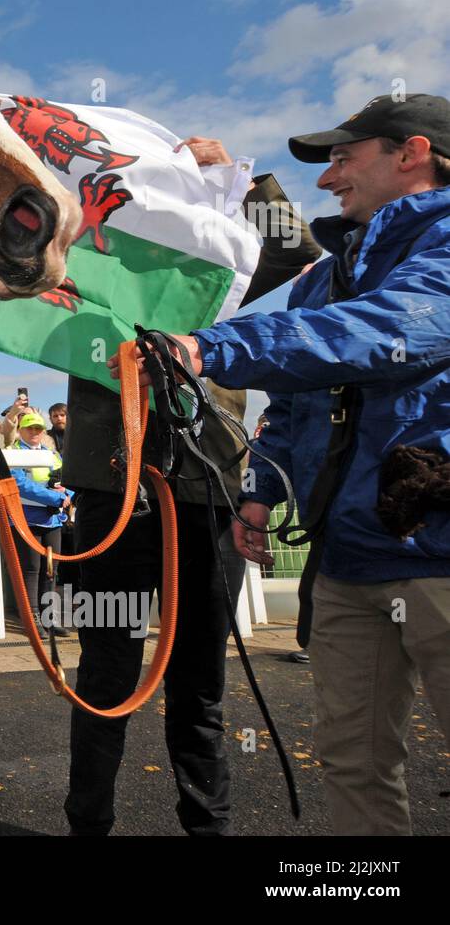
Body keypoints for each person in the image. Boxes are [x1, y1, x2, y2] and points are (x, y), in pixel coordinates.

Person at [117, 94, 450, 836]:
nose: (328, 178)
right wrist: (262, 493)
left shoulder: (436, 250)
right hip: (347, 560)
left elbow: (390, 329)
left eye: (342, 155)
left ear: (412, 152)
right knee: (354, 763)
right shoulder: (325, 276)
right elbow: (295, 404)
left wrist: (212, 347)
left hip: (440, 553)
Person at [65, 132, 321, 837]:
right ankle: (87, 825)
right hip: (110, 495)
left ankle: (207, 829)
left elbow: (298, 250)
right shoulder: (83, 262)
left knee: (199, 685)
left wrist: (246, 185)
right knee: (106, 677)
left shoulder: (221, 269)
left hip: (207, 494)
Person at [6, 412, 72, 634]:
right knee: (32, 568)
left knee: (51, 569)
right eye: (30, 428)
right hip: (26, 517)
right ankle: (31, 617)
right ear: (21, 430)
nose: (34, 432)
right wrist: (57, 498)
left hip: (52, 519)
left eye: (38, 428)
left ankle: (49, 617)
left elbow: (68, 479)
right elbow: (21, 485)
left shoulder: (51, 454)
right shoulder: (14, 453)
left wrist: (68, 494)